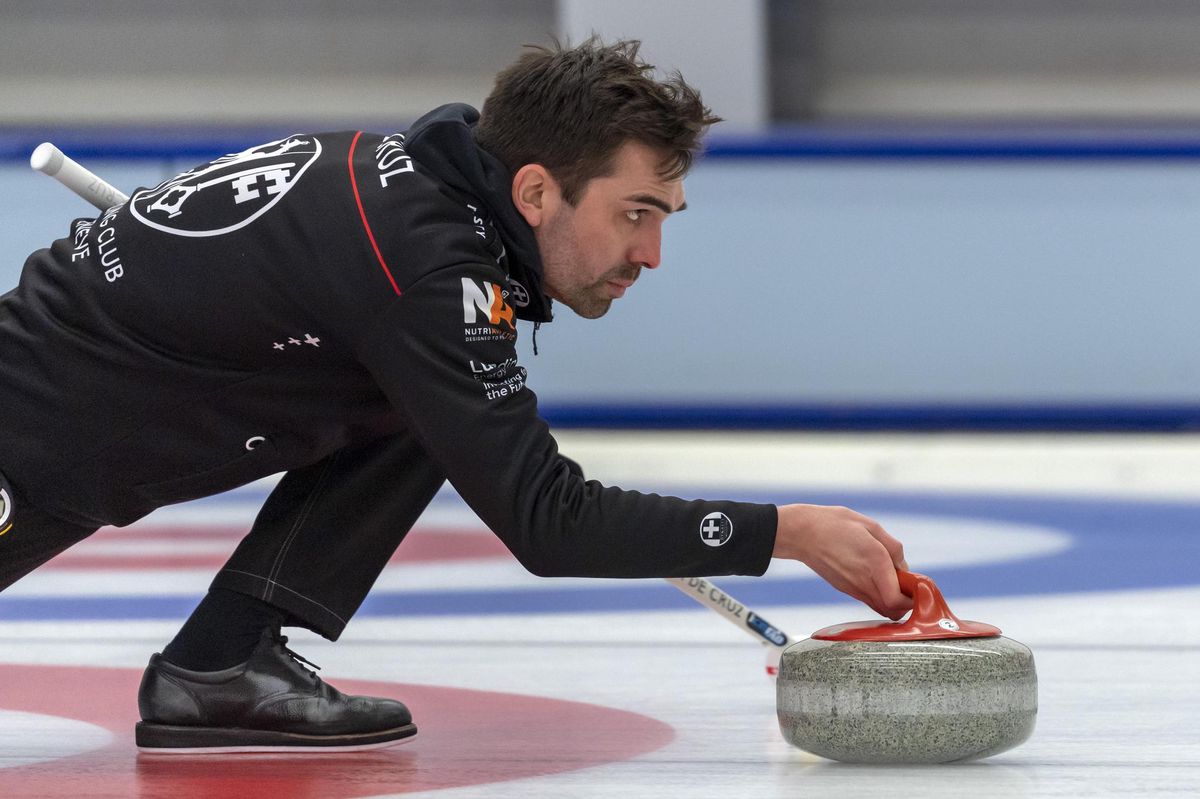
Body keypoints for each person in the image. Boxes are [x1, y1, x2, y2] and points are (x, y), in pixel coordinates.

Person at [0, 38, 910, 753]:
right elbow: (547, 522)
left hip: (60, 439)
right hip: (20, 453)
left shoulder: (405, 194)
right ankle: (222, 664)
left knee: (426, 411)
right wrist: (781, 531)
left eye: (662, 220)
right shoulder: (434, 271)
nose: (650, 255)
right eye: (634, 214)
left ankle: (225, 661)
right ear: (536, 190)